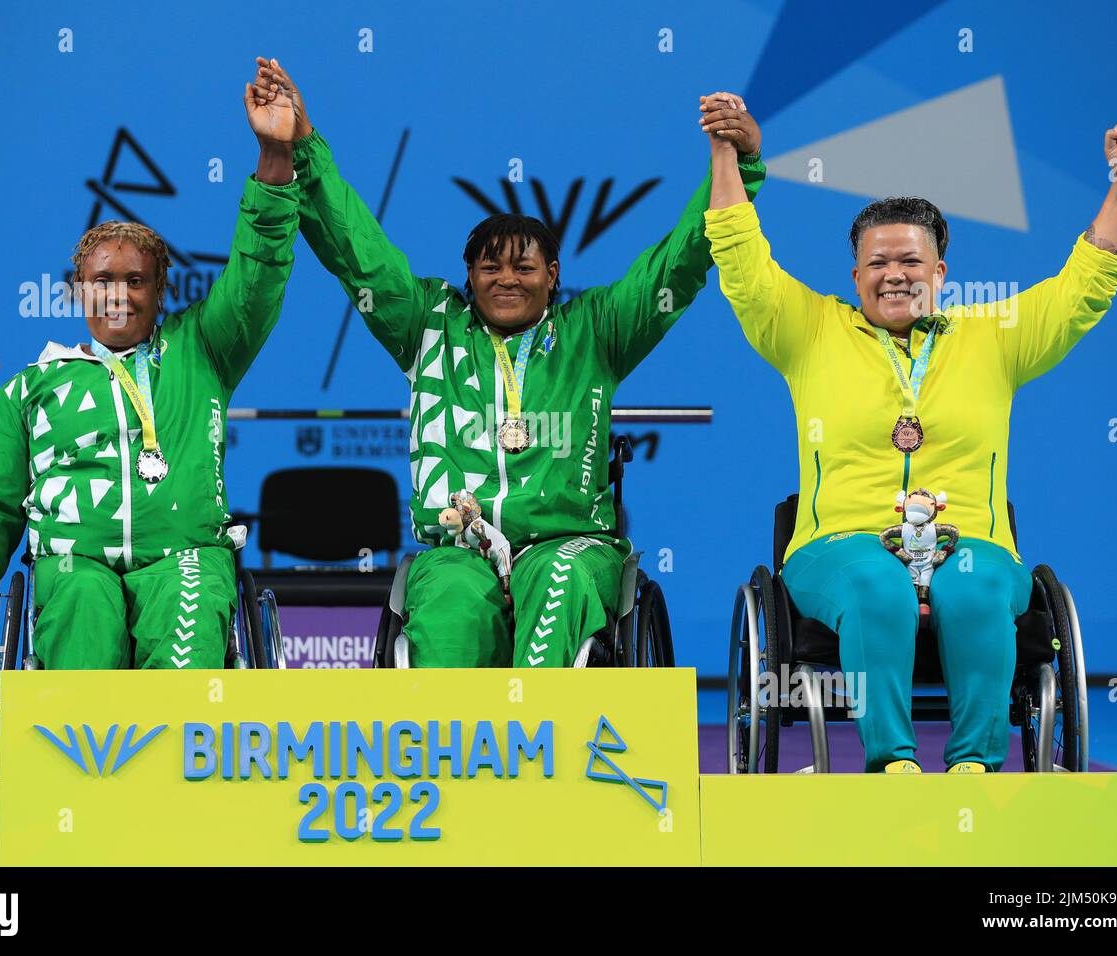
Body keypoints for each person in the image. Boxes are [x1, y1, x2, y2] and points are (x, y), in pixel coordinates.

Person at [253, 61, 766, 666]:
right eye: (490, 267)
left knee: (556, 586)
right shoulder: (428, 325)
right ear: (468, 277)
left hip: (568, 544)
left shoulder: (596, 330)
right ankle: (450, 760)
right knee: (447, 608)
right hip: (458, 549)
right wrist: (303, 148)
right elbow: (355, 250)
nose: (506, 279)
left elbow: (677, 263)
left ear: (552, 277)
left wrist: (739, 165)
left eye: (525, 268)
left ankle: (538, 752)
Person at [701, 93, 1117, 772]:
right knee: (876, 585)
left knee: (973, 585)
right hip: (841, 545)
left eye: (911, 261)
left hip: (970, 539)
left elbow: (1083, 289)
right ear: (855, 276)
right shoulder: (808, 331)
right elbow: (740, 261)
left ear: (940, 273)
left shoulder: (994, 338)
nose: (895, 274)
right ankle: (895, 768)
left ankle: (974, 768)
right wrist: (727, 153)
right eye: (878, 262)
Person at [0, 57, 307, 691]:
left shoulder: (203, 350)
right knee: (81, 607)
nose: (118, 294)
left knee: (187, 616)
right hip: (76, 563)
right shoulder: (30, 390)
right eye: (102, 280)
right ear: (78, 291)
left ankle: (175, 785)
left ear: (162, 288)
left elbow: (258, 272)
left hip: (185, 558)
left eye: (135, 280)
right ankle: (84, 788)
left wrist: (275, 156)